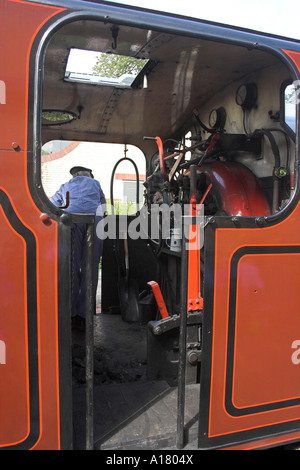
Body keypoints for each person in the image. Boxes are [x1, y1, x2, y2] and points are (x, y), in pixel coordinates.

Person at [51, 166, 106, 331]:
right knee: (91, 267)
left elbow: (53, 204)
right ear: (88, 174)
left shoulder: (65, 185)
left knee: (71, 268)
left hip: (72, 221)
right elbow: (103, 206)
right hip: (94, 222)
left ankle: (71, 314)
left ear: (74, 176)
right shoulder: (96, 183)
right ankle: (84, 316)